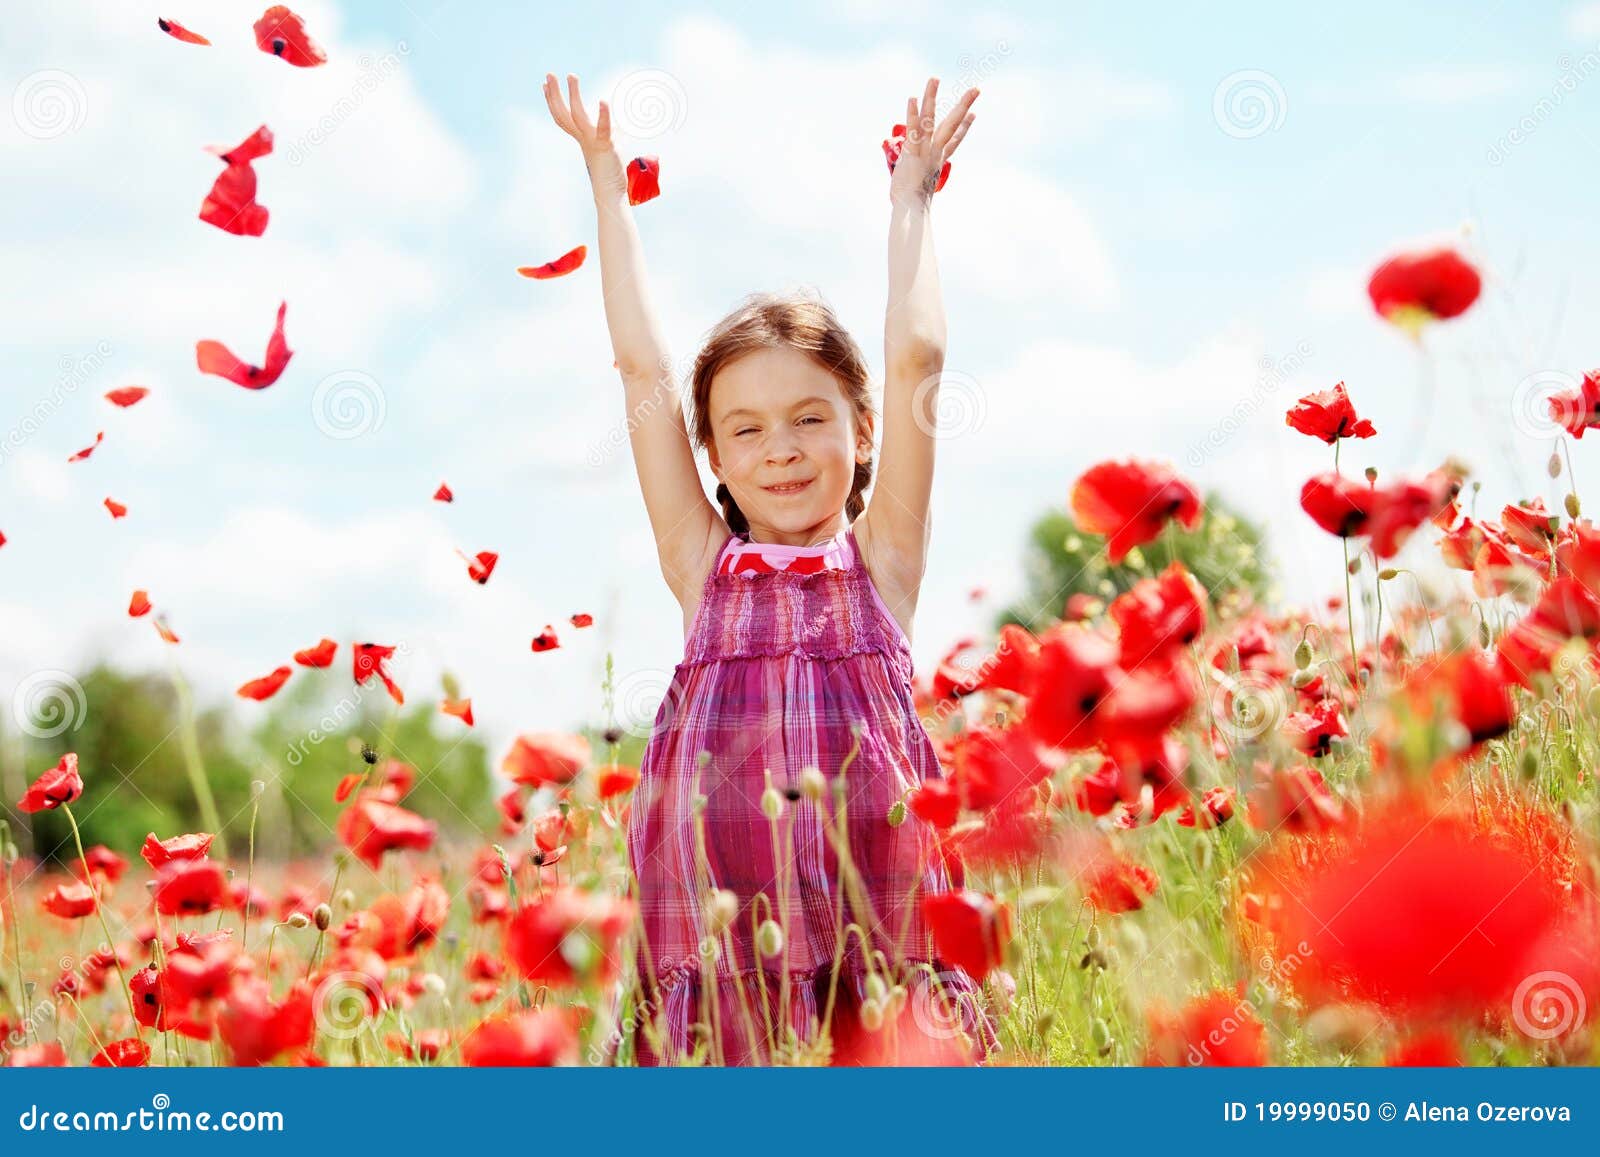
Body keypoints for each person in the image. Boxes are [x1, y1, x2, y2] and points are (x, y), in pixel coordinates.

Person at [544, 72, 997, 1066]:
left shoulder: (883, 559)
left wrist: (911, 194)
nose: (780, 449)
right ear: (708, 450)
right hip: (720, 918)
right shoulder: (698, 562)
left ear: (864, 429)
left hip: (869, 907)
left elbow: (916, 355)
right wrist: (607, 190)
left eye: (809, 419)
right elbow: (641, 372)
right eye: (744, 429)